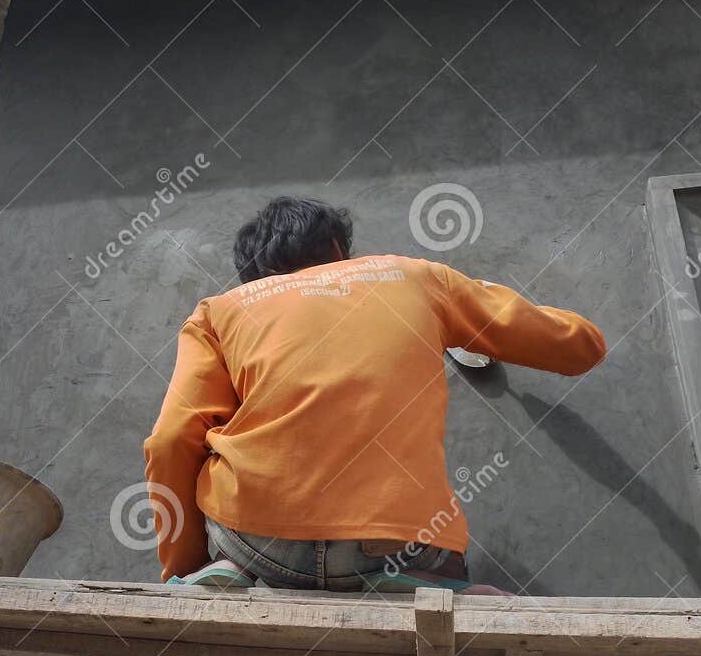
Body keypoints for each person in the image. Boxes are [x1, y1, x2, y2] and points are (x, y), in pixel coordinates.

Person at [142, 196, 606, 592]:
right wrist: (581, 337)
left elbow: (169, 441)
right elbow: (576, 349)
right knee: (431, 550)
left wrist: (185, 568)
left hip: (259, 538)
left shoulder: (220, 312)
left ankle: (228, 570)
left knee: (233, 510)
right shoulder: (414, 278)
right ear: (338, 248)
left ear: (256, 278)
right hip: (399, 540)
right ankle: (432, 579)